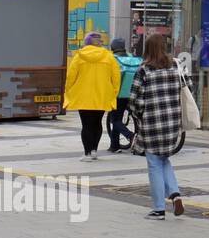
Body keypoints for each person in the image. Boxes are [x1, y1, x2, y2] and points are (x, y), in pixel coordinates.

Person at [128, 33, 186, 220]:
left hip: (153, 122)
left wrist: (139, 115)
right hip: (172, 122)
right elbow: (188, 87)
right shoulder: (176, 66)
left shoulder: (144, 70)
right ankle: (175, 194)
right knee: (163, 159)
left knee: (153, 162)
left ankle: (159, 209)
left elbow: (134, 100)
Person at [63, 32, 120, 161]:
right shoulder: (109, 57)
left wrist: (68, 91)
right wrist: (113, 93)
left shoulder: (79, 56)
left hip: (83, 96)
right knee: (97, 123)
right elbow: (116, 78)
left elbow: (71, 77)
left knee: (86, 125)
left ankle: (87, 153)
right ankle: (94, 150)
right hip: (102, 95)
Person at [107, 38, 142, 152]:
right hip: (132, 93)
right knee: (118, 119)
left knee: (115, 120)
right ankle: (114, 146)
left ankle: (130, 136)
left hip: (117, 94)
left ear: (112, 48)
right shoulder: (131, 57)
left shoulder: (112, 59)